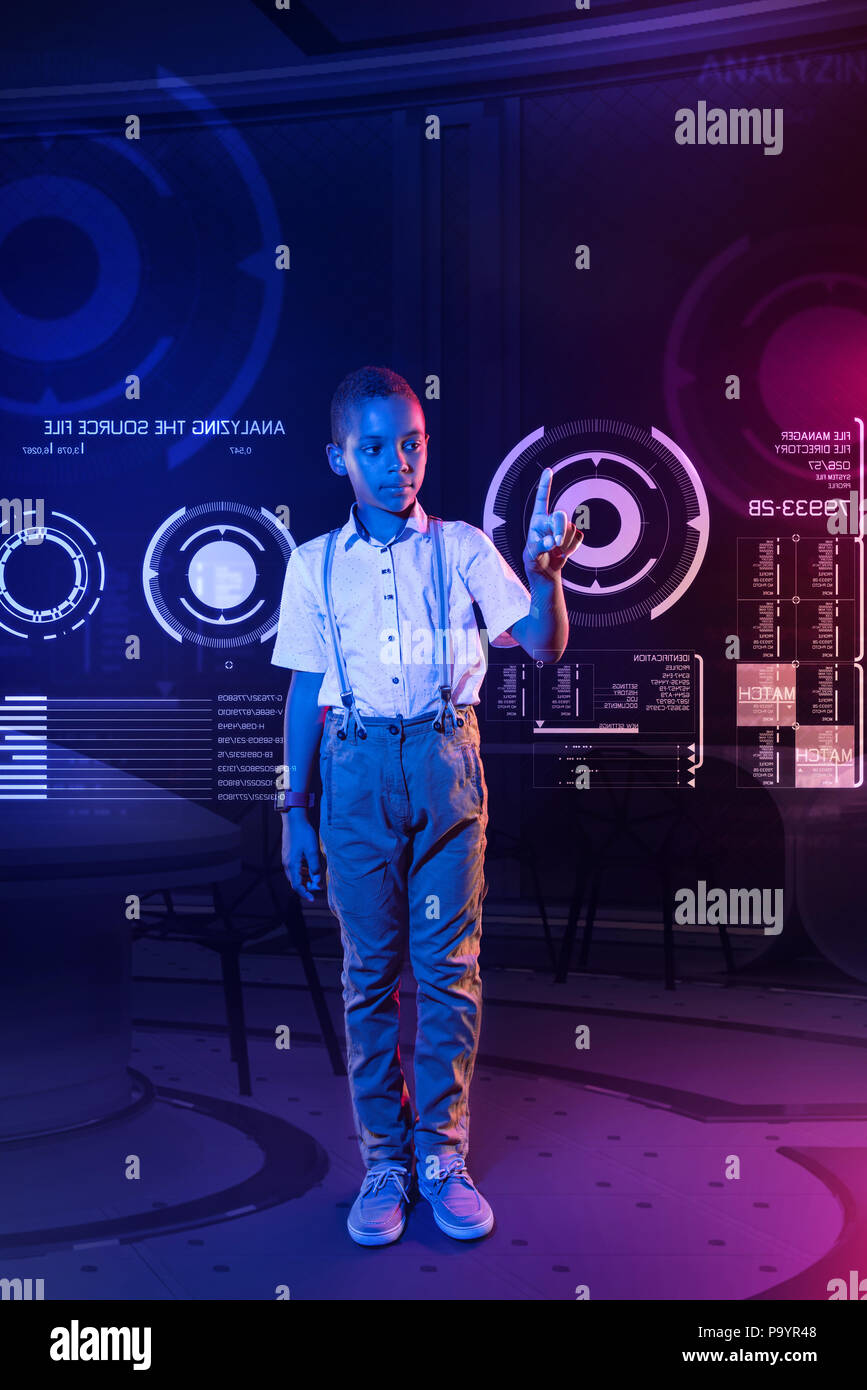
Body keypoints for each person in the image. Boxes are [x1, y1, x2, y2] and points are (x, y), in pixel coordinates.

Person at [271, 365, 582, 1246]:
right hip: (355, 771)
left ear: (424, 447)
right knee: (370, 976)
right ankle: (385, 1160)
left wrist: (545, 573)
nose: (395, 462)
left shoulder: (463, 549)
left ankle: (440, 1154)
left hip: (446, 763)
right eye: (372, 447)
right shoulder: (313, 565)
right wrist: (294, 805)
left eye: (409, 443)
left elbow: (544, 646)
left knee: (448, 972)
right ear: (338, 458)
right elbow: (302, 691)